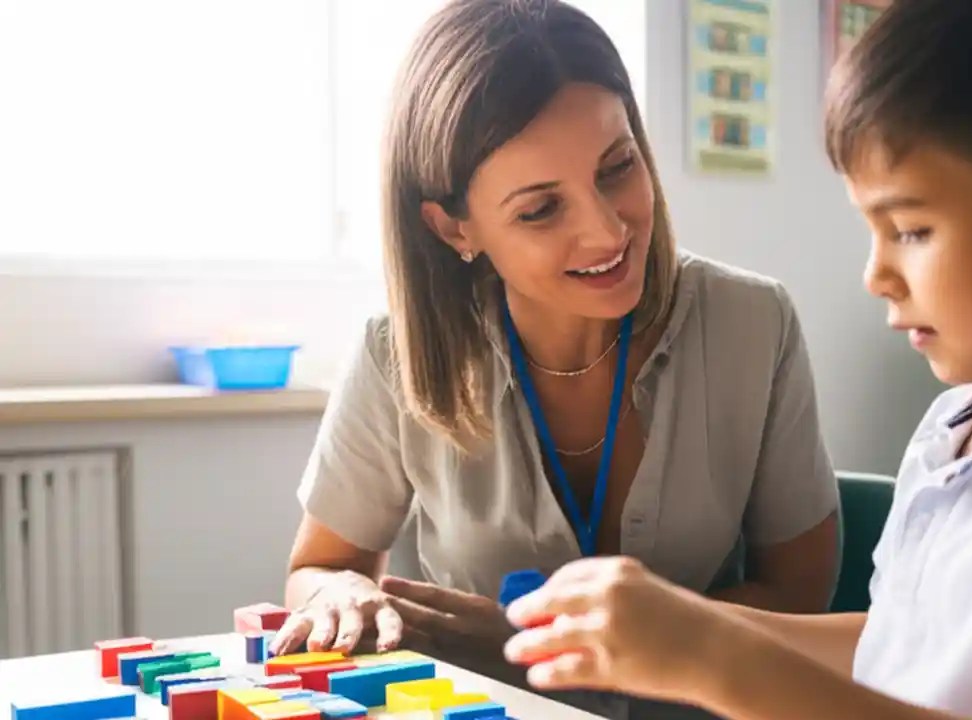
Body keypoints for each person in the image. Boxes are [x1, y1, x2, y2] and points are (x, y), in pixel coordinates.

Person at [500, 1, 972, 719]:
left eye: (912, 230)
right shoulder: (961, 420)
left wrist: (715, 657)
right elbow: (899, 649)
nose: (876, 274)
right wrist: (681, 628)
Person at [272, 0, 840, 716]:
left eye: (617, 167)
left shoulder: (754, 323)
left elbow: (801, 595)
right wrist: (340, 593)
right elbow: (320, 566)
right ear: (453, 227)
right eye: (541, 210)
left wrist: (533, 645)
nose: (606, 232)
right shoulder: (396, 353)